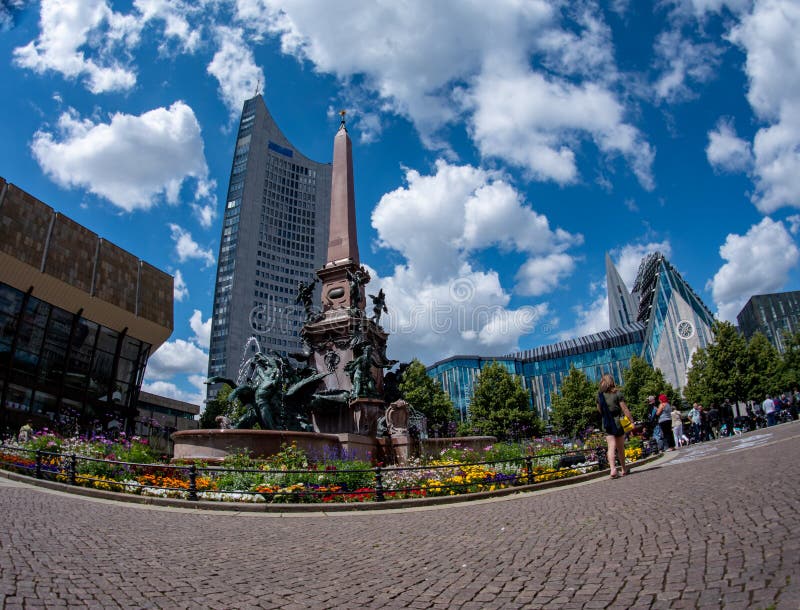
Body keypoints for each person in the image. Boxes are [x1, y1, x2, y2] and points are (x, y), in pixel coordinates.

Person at [596, 374, 635, 479]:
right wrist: (631, 421)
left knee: (611, 447)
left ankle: (613, 469)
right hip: (617, 422)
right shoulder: (617, 393)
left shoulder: (600, 395)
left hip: (607, 423)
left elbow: (599, 410)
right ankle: (623, 469)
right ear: (612, 382)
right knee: (620, 447)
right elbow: (624, 409)